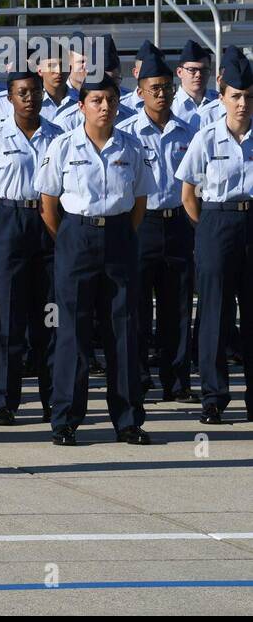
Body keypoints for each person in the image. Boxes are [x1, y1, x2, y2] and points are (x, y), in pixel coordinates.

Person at [36, 71, 155, 446]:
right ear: (81, 105)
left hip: (119, 236)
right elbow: (48, 204)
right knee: (73, 331)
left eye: (111, 100)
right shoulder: (63, 146)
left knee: (123, 329)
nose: (105, 107)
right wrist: (73, 237)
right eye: (96, 101)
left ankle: (128, 419)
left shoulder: (132, 147)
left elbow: (139, 202)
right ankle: (66, 419)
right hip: (76, 236)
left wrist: (117, 233)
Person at [0, 63, 63, 424]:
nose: (30, 98)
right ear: (9, 98)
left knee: (49, 318)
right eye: (22, 93)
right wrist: (1, 223)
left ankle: (53, 398)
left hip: (47, 224)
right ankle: (5, 401)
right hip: (9, 222)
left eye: (35, 91)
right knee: (7, 318)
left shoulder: (57, 136)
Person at [177, 48, 253, 425]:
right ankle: (213, 396)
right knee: (213, 314)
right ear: (222, 96)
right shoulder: (207, 137)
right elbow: (188, 192)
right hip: (217, 221)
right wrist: (207, 229)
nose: (242, 104)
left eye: (248, 96)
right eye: (236, 96)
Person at [121, 49, 196, 403]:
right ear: (139, 92)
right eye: (154, 88)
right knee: (136, 308)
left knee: (178, 307)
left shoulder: (190, 131)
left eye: (167, 87)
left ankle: (177, 380)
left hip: (178, 223)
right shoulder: (127, 134)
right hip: (141, 224)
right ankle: (139, 376)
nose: (162, 94)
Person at [172, 39, 216, 131]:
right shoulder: (170, 106)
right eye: (192, 70)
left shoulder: (220, 102)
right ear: (179, 72)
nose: (198, 75)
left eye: (204, 70)